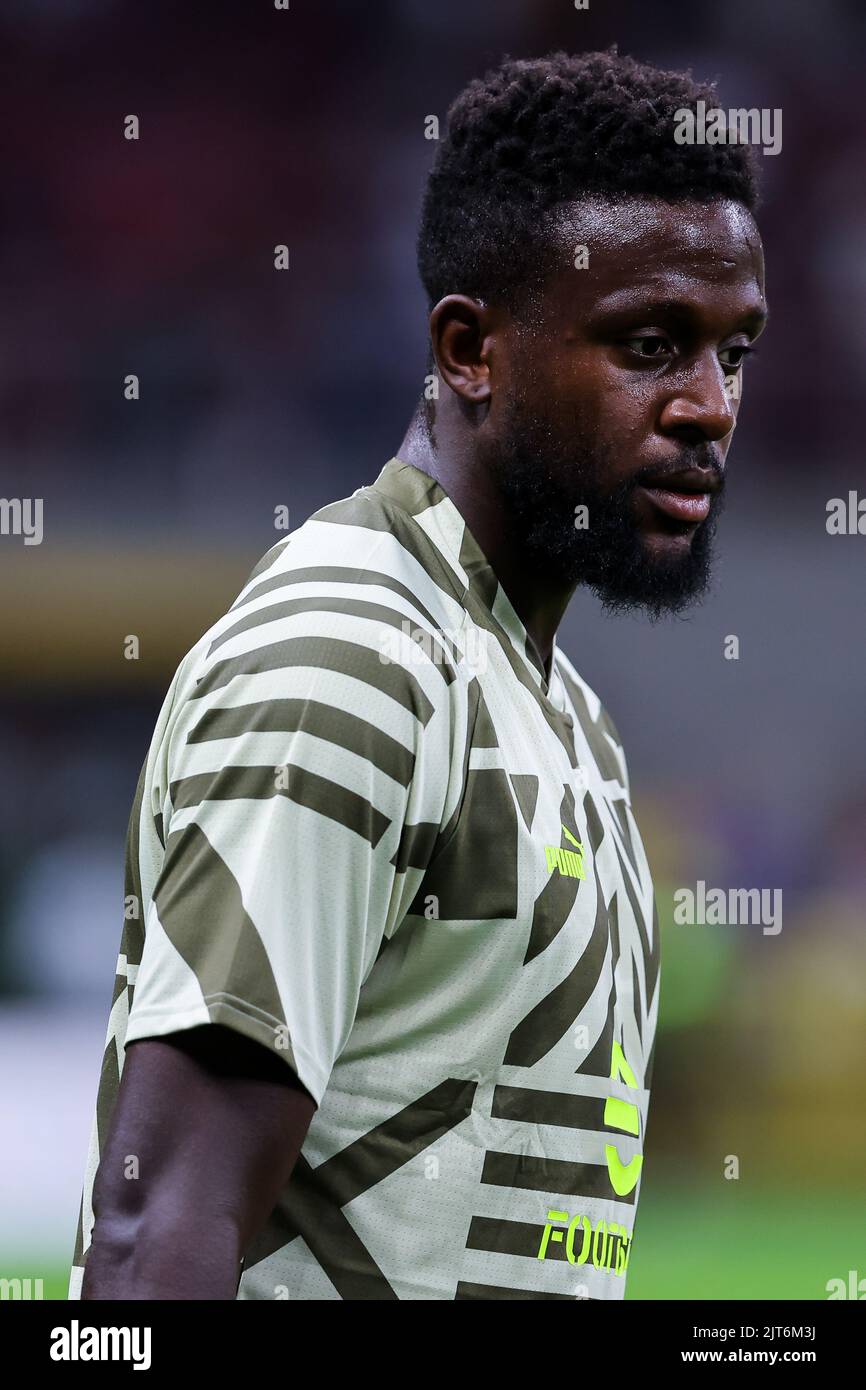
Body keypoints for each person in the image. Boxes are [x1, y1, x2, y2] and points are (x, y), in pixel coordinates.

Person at [70, 47, 766, 1301]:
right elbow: (150, 1238)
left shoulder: (563, 714)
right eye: (651, 343)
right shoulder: (350, 657)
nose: (709, 405)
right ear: (469, 350)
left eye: (733, 352)